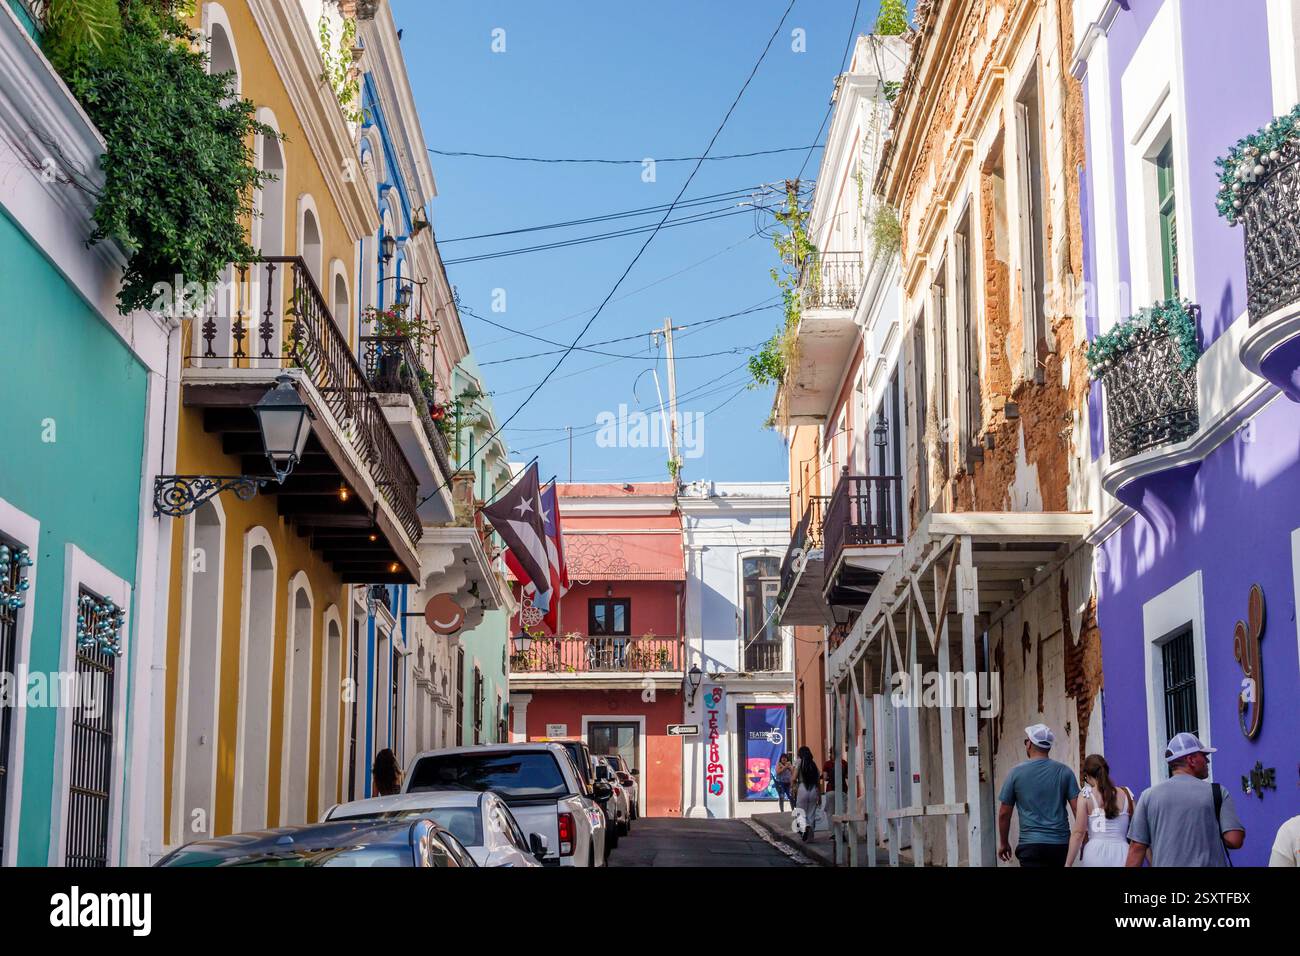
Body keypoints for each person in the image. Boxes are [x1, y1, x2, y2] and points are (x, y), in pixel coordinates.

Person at [1126, 733, 1245, 867]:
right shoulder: (1217, 792)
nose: (1207, 761)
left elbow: (1136, 849)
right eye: (1204, 756)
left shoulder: (1148, 796)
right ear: (1191, 760)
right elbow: (1234, 840)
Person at [997, 723, 1080, 867]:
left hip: (1030, 846)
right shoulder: (1065, 772)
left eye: (1026, 741)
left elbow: (1004, 813)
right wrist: (1083, 839)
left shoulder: (1015, 773)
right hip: (1060, 845)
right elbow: (1078, 810)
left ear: (1029, 744)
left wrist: (1004, 843)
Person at [1066, 753, 1134, 867]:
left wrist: (1068, 863)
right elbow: (1139, 832)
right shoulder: (1126, 794)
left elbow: (1078, 833)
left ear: (1087, 776)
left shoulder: (1086, 795)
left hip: (1095, 855)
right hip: (1123, 855)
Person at [794, 746, 821, 842]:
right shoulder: (814, 765)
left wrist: (792, 787)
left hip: (802, 787)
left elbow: (793, 778)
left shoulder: (799, 762)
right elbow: (818, 781)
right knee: (811, 813)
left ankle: (805, 826)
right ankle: (810, 838)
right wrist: (820, 796)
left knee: (800, 811)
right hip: (813, 789)